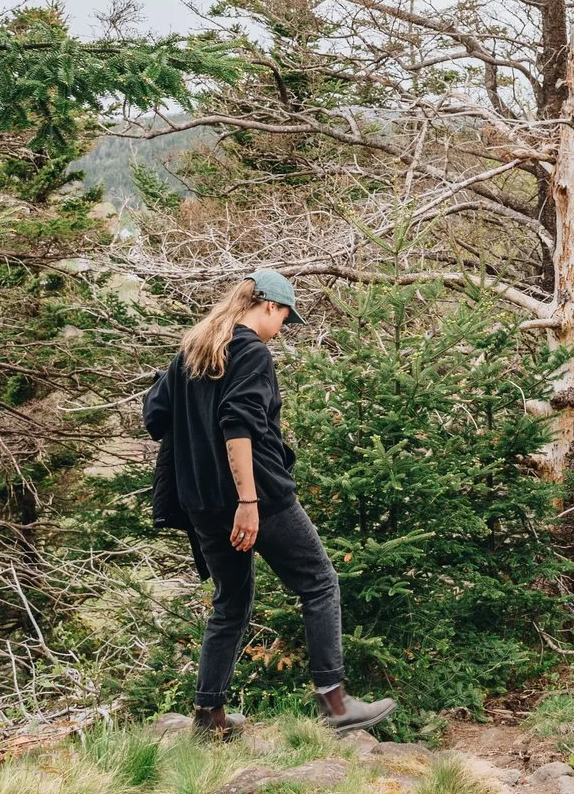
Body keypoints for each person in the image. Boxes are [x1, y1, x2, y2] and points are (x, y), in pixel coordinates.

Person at [144, 269, 396, 739]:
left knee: (231, 602)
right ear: (267, 307)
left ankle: (207, 717)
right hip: (257, 496)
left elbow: (154, 416)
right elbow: (238, 424)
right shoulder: (251, 352)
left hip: (200, 502)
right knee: (319, 583)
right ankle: (335, 705)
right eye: (284, 317)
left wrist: (192, 415)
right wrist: (248, 501)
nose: (282, 329)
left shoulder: (193, 351)